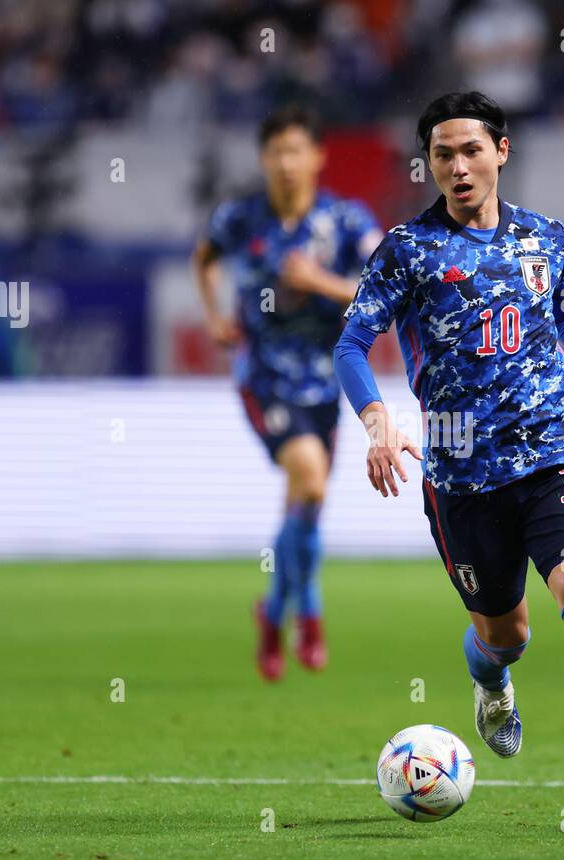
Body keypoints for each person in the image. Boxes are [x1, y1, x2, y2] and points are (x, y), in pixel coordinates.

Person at [332, 91, 564, 817]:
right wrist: (378, 419)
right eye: (442, 155)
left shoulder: (546, 237)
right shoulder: (406, 251)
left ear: (501, 152)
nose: (457, 166)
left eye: (471, 150)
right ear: (428, 165)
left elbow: (563, 310)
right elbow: (352, 343)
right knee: (506, 634)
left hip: (555, 454)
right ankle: (490, 680)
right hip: (462, 476)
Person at [194, 105, 381, 681]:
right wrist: (215, 314)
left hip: (326, 381)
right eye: (276, 152)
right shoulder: (242, 218)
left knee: (307, 500)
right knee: (311, 476)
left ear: (318, 157)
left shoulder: (345, 221)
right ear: (263, 159)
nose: (286, 163)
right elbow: (205, 258)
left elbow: (382, 287)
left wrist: (319, 282)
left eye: (296, 150)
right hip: (264, 375)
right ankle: (311, 614)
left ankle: (273, 611)